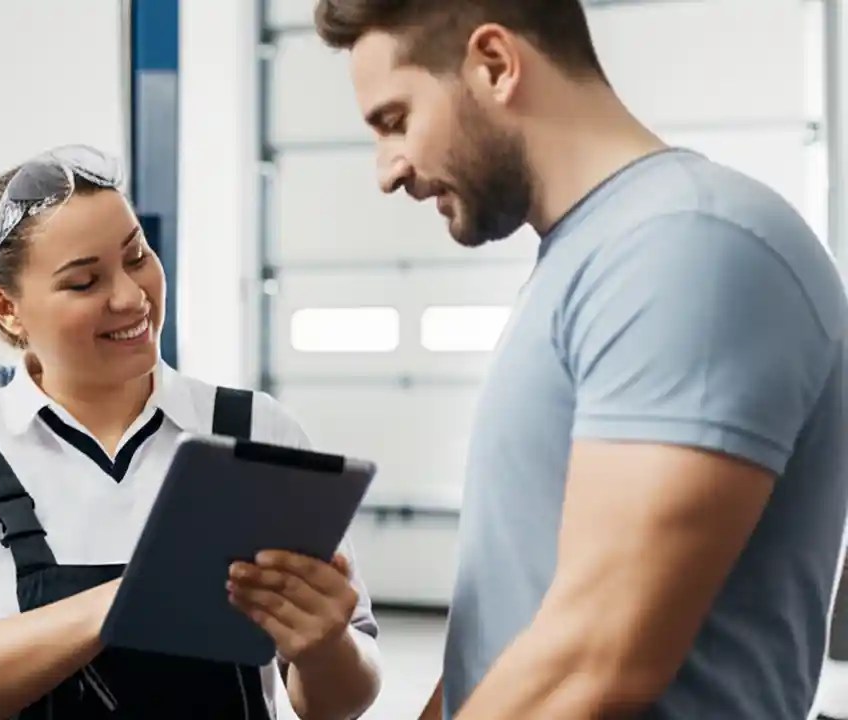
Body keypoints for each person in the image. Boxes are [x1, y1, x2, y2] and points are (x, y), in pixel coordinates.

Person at [313, 1, 848, 718]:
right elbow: (509, 637)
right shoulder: (594, 258)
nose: (388, 171)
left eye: (395, 121)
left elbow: (597, 655)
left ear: (495, 64)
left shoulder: (687, 247)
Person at [0, 144, 382, 720]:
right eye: (84, 282)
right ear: (6, 308)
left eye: (137, 256)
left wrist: (325, 647)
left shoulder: (255, 432)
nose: (132, 296)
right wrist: (137, 597)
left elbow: (339, 702)